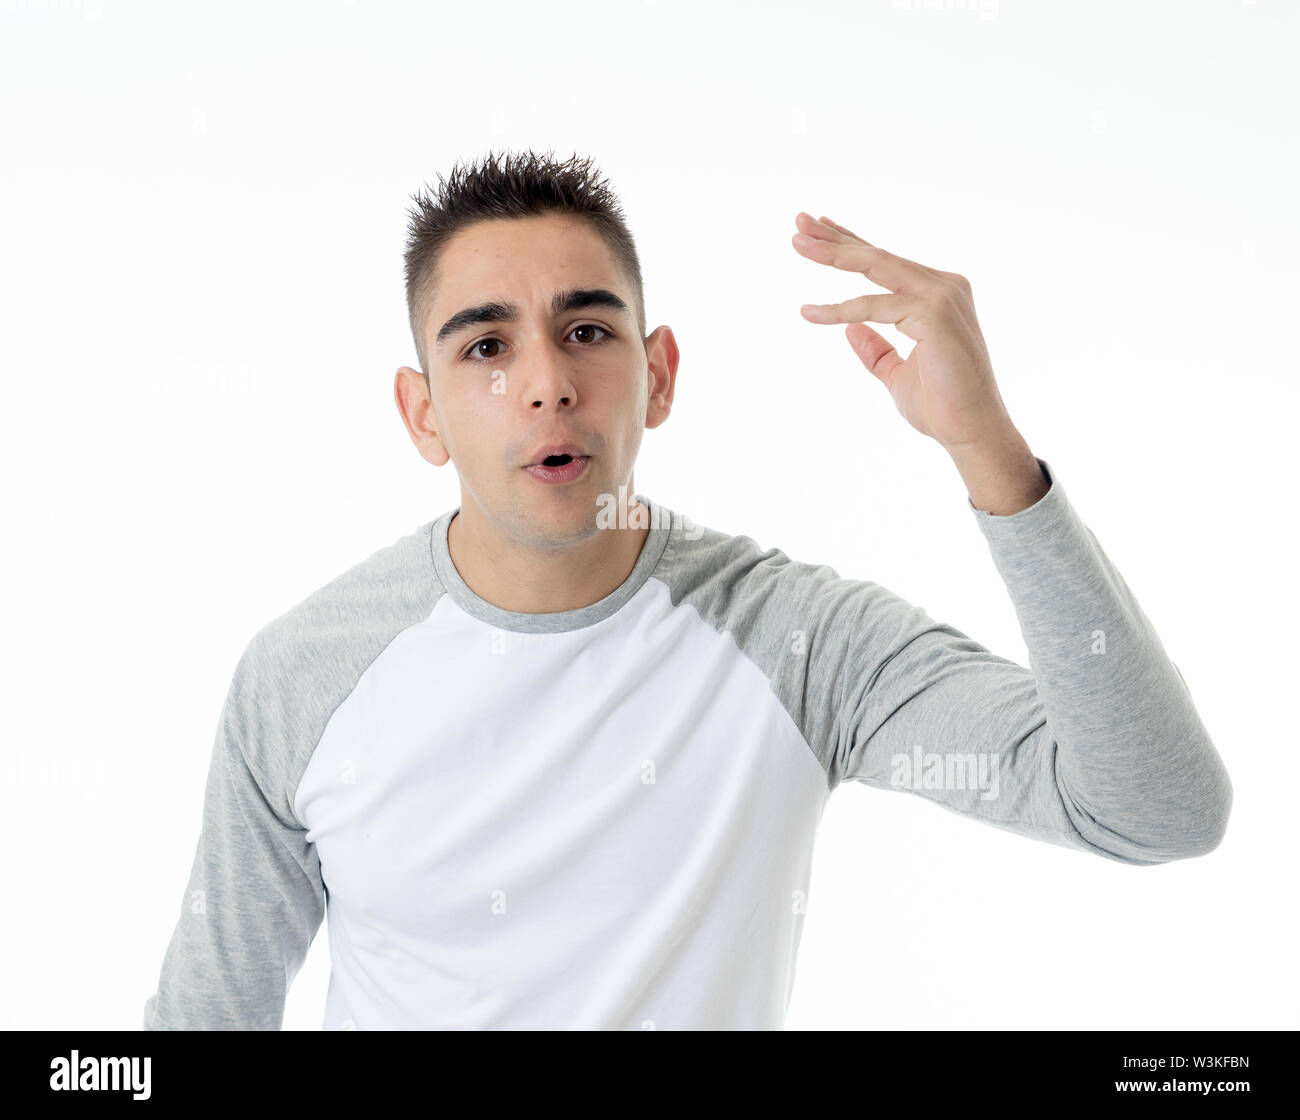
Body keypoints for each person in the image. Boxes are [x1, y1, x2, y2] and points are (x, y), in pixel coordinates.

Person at [142, 148, 1231, 1031]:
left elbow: (1153, 809)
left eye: (586, 331)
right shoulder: (305, 672)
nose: (547, 384)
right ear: (422, 413)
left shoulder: (795, 641)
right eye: (484, 346)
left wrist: (988, 448)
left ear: (658, 374)